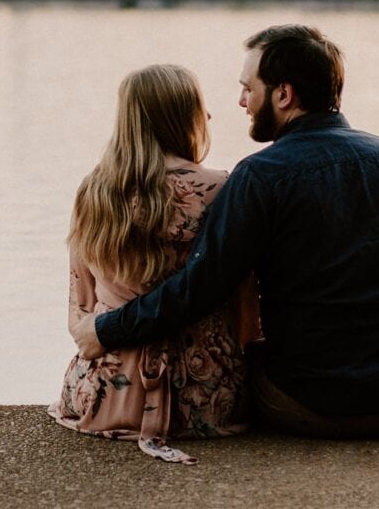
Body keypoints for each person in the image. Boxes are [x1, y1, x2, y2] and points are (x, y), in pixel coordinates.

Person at [72, 25, 379, 439]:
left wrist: (106, 329)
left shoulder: (261, 176)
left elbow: (200, 287)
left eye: (250, 88)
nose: (242, 101)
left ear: (284, 95)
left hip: (312, 405)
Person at [49, 64, 261, 464]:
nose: (211, 117)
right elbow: (246, 313)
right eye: (201, 107)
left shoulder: (93, 191)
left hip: (103, 395)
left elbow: (79, 311)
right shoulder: (221, 189)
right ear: (182, 117)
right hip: (209, 396)